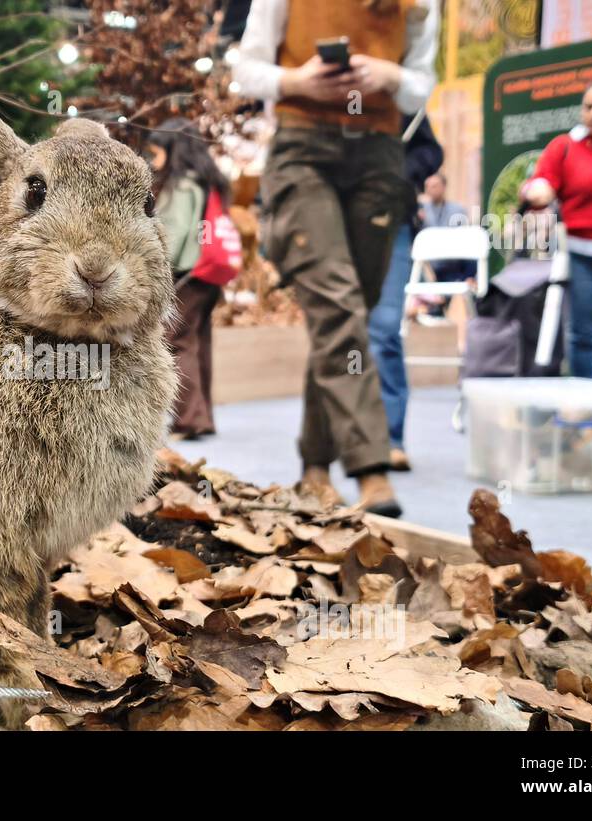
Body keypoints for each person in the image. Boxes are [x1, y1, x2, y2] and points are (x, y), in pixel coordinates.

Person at [236, 0, 439, 517]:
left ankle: (314, 468)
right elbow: (246, 69)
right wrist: (298, 81)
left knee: (344, 318)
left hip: (379, 153)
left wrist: (390, 74)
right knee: (340, 306)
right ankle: (371, 469)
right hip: (303, 148)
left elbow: (421, 84)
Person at [521, 77, 592, 379]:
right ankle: (585, 407)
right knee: (583, 335)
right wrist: (536, 191)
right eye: (588, 106)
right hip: (583, 256)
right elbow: (541, 181)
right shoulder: (565, 147)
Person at [367, 113, 443, 473]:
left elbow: (431, 150)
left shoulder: (398, 90)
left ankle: (390, 437)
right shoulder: (329, 84)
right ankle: (347, 439)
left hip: (393, 222)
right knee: (341, 331)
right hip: (336, 224)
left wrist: (400, 175)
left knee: (384, 328)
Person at [146, 119, 231, 440]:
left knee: (177, 341)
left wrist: (158, 270)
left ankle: (190, 419)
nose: (153, 161)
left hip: (187, 274)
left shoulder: (181, 185)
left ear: (173, 150)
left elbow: (176, 232)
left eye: (156, 153)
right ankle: (202, 413)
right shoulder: (208, 181)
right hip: (209, 274)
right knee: (198, 341)